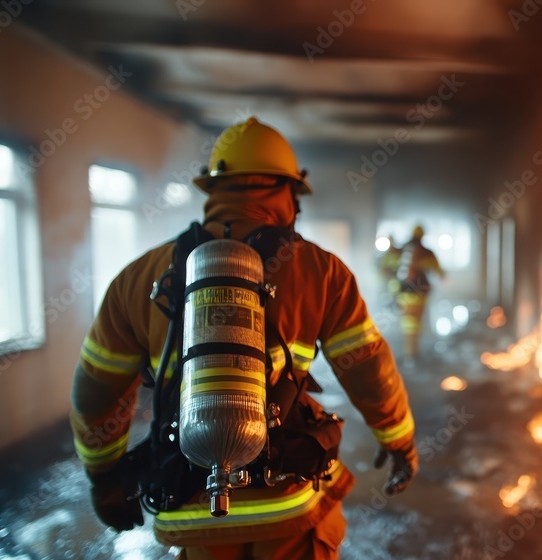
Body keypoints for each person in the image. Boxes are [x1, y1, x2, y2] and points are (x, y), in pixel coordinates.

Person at [70, 117, 418, 559]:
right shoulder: (322, 271)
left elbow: (95, 392)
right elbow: (370, 371)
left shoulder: (139, 277)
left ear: (215, 192)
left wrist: (103, 477)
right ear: (289, 194)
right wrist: (399, 440)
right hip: (286, 504)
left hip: (193, 508)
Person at [394, 225, 444, 360]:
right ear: (423, 235)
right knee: (415, 323)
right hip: (419, 293)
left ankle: (409, 352)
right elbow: (437, 269)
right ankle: (412, 353)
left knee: (407, 323)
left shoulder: (402, 250)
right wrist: (443, 276)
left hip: (403, 292)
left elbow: (392, 266)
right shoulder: (427, 252)